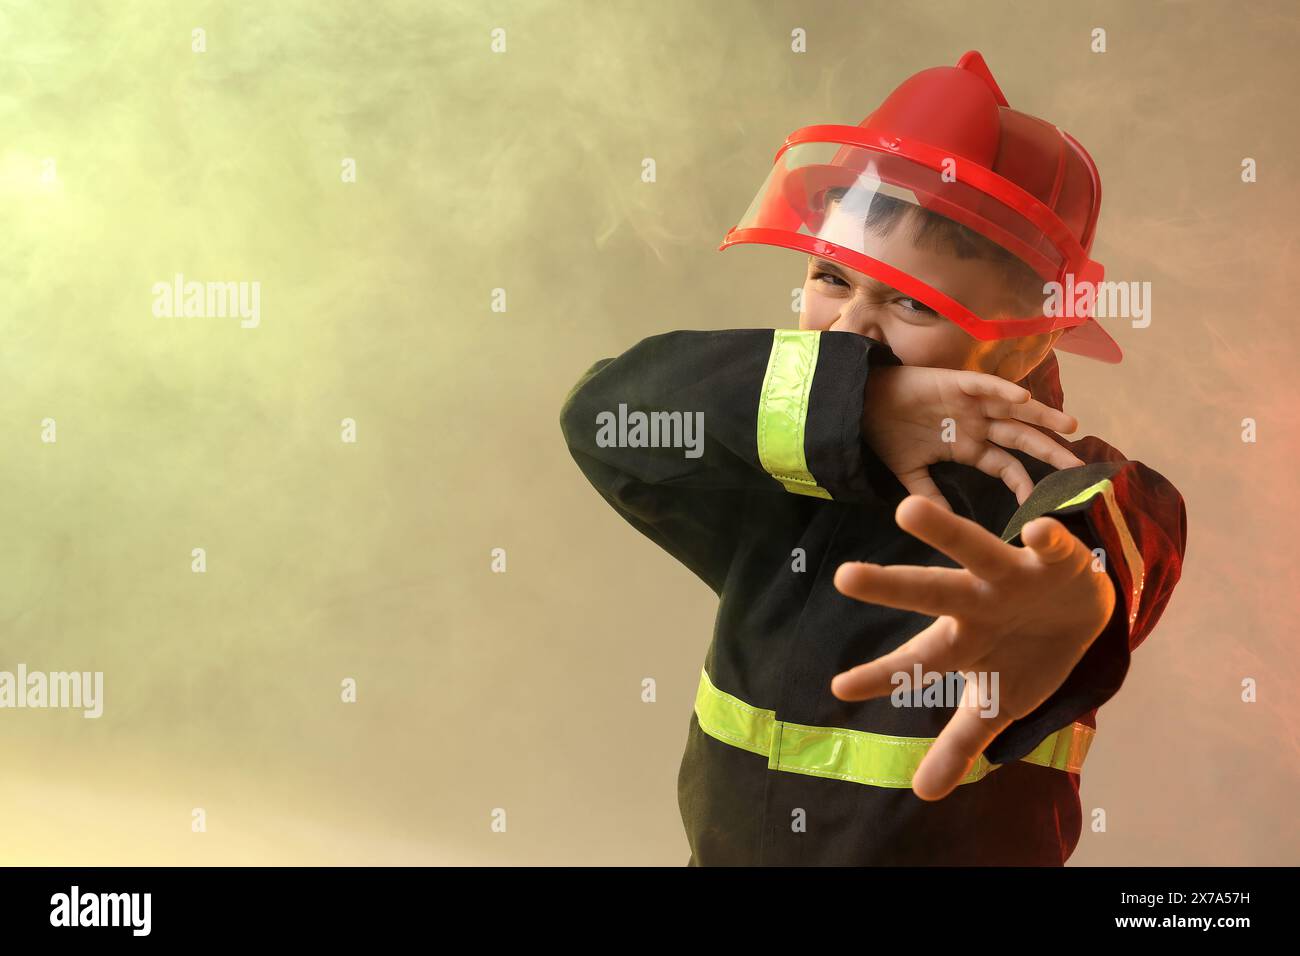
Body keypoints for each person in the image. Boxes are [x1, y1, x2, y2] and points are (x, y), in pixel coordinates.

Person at [559, 52, 1186, 865]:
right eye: (830, 277)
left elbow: (1129, 523)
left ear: (1032, 338)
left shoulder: (1055, 484)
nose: (849, 329)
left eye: (913, 301)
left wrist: (1076, 590)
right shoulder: (788, 463)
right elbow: (605, 418)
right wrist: (855, 405)